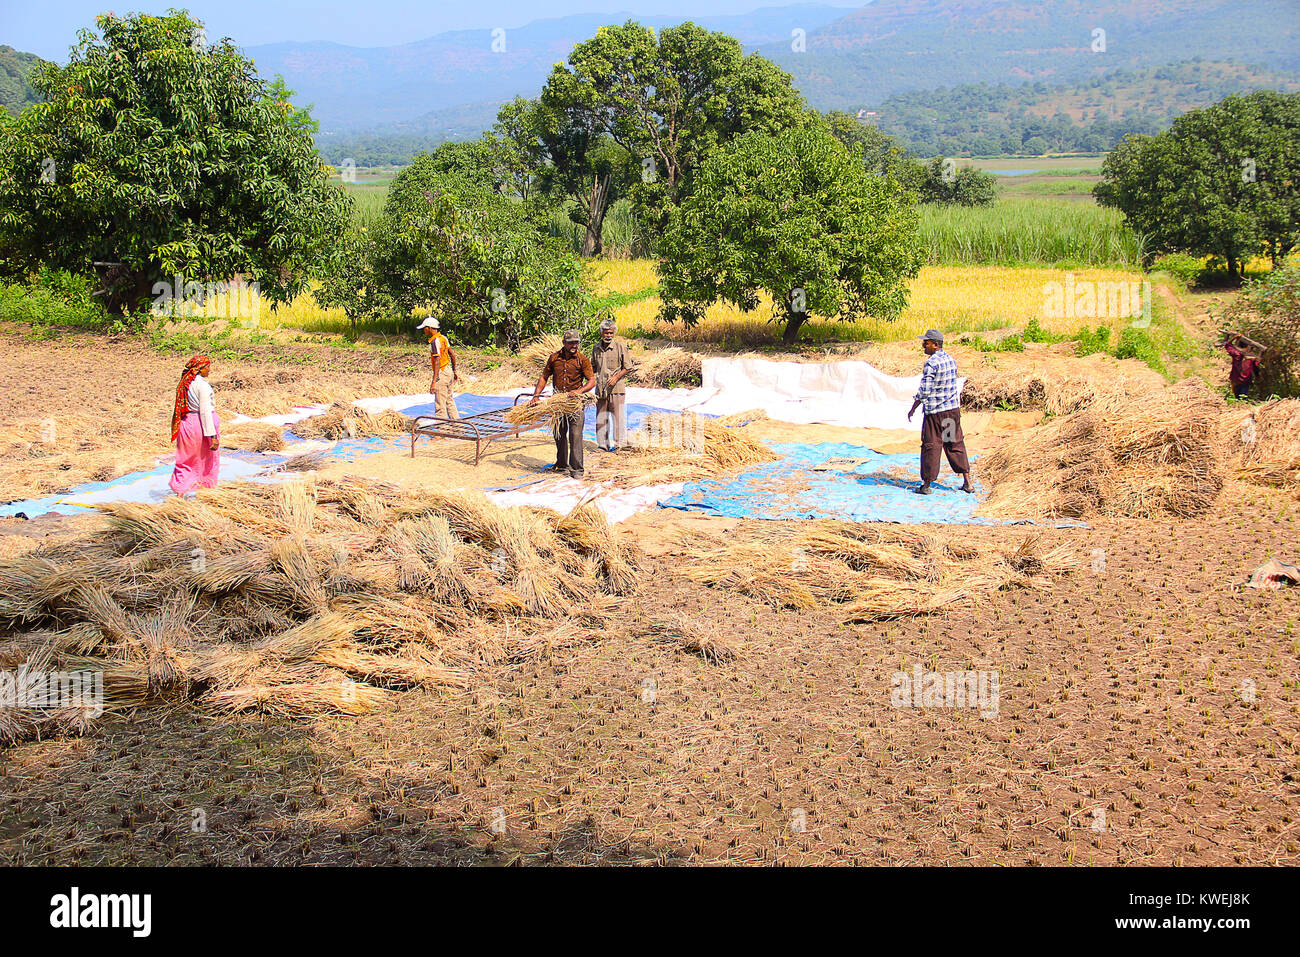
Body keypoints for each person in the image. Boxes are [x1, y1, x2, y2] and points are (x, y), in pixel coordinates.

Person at [906, 329, 973, 495]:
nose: (923, 346)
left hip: (935, 414)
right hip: (951, 412)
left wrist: (914, 407)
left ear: (935, 345)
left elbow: (925, 390)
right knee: (954, 444)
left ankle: (927, 485)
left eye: (926, 343)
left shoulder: (931, 363)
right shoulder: (950, 360)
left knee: (932, 446)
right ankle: (968, 482)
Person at [529, 329, 595, 478]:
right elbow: (544, 377)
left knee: (575, 435)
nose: (574, 345)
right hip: (558, 403)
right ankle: (561, 465)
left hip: (575, 404)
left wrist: (580, 391)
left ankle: (577, 470)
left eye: (576, 342)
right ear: (564, 343)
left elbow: (592, 381)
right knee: (559, 434)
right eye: (571, 342)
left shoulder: (582, 360)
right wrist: (536, 396)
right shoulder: (554, 358)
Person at [168, 354, 220, 497]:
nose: (209, 370)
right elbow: (205, 412)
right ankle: (205, 491)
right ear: (199, 369)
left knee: (186, 459)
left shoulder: (185, 383)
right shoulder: (202, 386)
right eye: (207, 367)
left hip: (186, 425)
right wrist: (213, 436)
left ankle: (180, 492)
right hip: (200, 427)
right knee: (207, 459)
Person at [591, 319, 636, 452]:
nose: (608, 336)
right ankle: (602, 445)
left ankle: (619, 445)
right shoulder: (596, 348)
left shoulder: (620, 347)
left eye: (611, 333)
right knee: (601, 417)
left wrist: (616, 377)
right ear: (601, 333)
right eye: (606, 333)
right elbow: (593, 367)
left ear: (614, 333)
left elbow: (628, 367)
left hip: (616, 388)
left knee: (618, 418)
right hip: (600, 388)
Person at [417, 315, 460, 419]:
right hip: (448, 370)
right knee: (449, 400)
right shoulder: (443, 338)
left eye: (425, 328)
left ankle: (442, 430)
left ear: (430, 328)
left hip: (441, 372)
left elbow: (437, 361)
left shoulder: (434, 341)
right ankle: (458, 426)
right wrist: (454, 371)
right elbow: (452, 355)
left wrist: (434, 381)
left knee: (440, 404)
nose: (424, 330)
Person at [1223, 333, 1260, 399]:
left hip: (1236, 379)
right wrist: (1257, 376)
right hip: (1246, 380)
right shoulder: (1251, 355)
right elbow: (1255, 367)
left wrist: (1234, 338)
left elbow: (1227, 345)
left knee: (1237, 397)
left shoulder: (1236, 354)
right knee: (1243, 398)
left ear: (1238, 345)